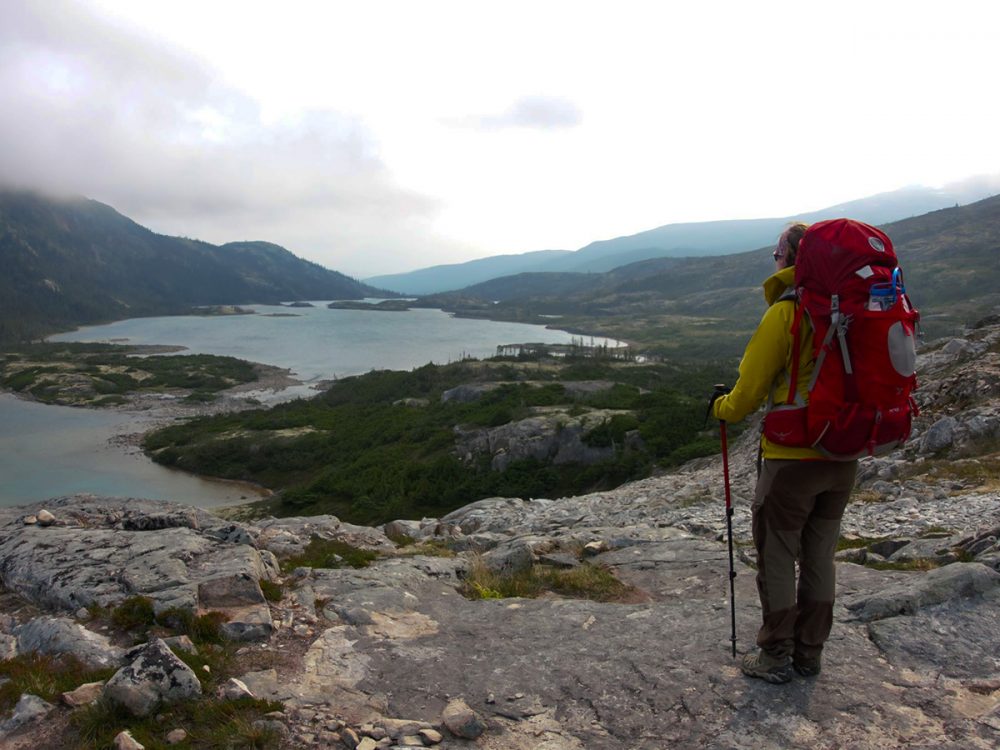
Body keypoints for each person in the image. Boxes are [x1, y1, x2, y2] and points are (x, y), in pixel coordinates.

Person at [710, 222, 858, 684]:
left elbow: (749, 391)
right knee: (820, 555)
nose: (774, 259)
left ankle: (776, 655)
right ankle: (809, 654)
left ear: (792, 257)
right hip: (844, 453)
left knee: (777, 554)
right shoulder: (852, 311)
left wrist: (721, 408)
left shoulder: (788, 312)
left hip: (792, 457)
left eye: (777, 251)